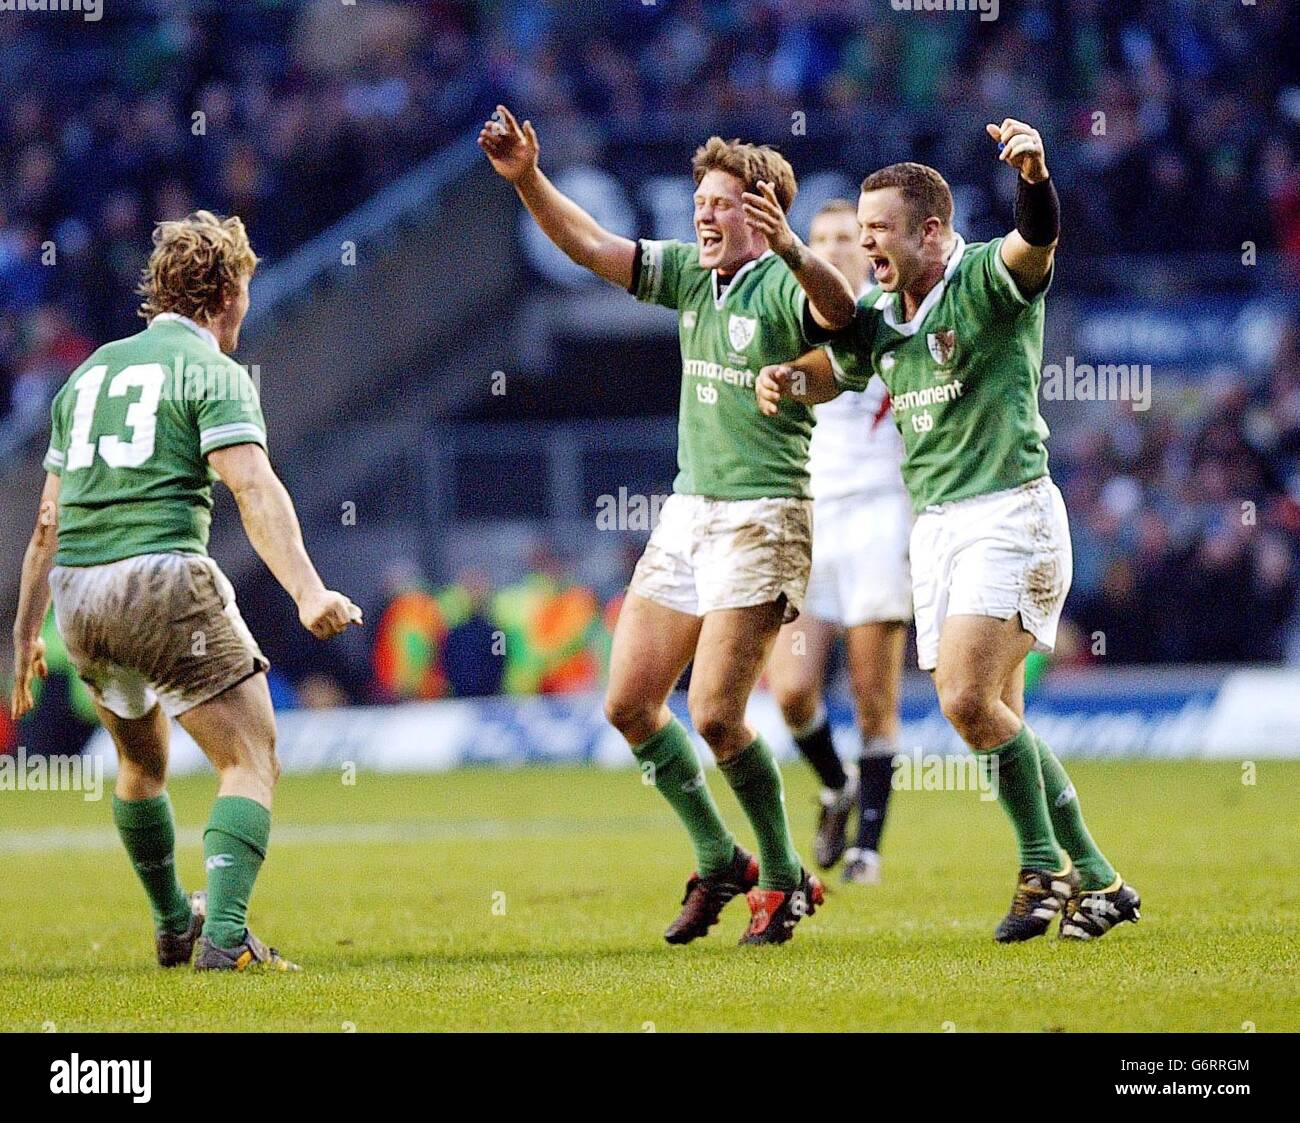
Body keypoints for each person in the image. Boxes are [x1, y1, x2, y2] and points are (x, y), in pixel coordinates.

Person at [756, 121, 1140, 942]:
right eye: (859, 235)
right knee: (990, 715)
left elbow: (1035, 244)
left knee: (964, 696)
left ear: (930, 229)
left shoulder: (981, 279)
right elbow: (836, 370)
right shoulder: (882, 313)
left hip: (1010, 511)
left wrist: (1034, 176)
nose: (868, 248)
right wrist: (792, 376)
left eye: (879, 233)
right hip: (936, 530)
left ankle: (1050, 864)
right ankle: (1096, 882)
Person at [480, 105, 856, 944]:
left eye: (721, 203)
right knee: (629, 703)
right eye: (700, 202)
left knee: (718, 714)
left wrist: (794, 250)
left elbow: (841, 335)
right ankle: (722, 859)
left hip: (766, 513)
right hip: (690, 512)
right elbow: (588, 245)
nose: (702, 215)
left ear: (761, 210)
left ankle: (788, 878)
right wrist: (528, 179)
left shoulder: (792, 279)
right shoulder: (691, 274)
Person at [10, 211, 362, 971]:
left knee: (141, 765)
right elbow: (252, 485)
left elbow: (47, 519)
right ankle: (226, 938)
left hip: (80, 595)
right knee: (252, 757)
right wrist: (307, 591)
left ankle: (174, 921)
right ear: (227, 291)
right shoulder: (211, 370)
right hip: (161, 580)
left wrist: (24, 633)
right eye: (245, 289)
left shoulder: (90, 372)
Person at [764, 198, 913, 885]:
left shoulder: (891, 316)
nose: (830, 245)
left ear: (866, 245)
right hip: (811, 516)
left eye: (843, 237)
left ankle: (869, 848)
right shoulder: (791, 319)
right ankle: (836, 786)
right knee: (791, 688)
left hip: (881, 512)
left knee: (870, 689)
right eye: (818, 236)